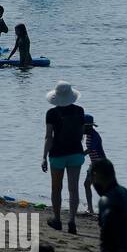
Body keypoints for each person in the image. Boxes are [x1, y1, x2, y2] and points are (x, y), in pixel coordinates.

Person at [42, 81, 86, 234]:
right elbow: (81, 134)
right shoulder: (80, 111)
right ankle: (72, 221)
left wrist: (43, 157)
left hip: (58, 154)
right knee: (73, 189)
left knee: (56, 188)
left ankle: (57, 220)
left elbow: (49, 137)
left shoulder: (52, 114)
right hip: (76, 153)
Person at [82, 113, 105, 215]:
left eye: (82, 126)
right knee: (87, 184)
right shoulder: (88, 135)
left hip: (100, 164)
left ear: (88, 126)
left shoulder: (95, 136)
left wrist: (79, 154)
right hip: (94, 164)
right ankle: (91, 209)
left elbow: (90, 150)